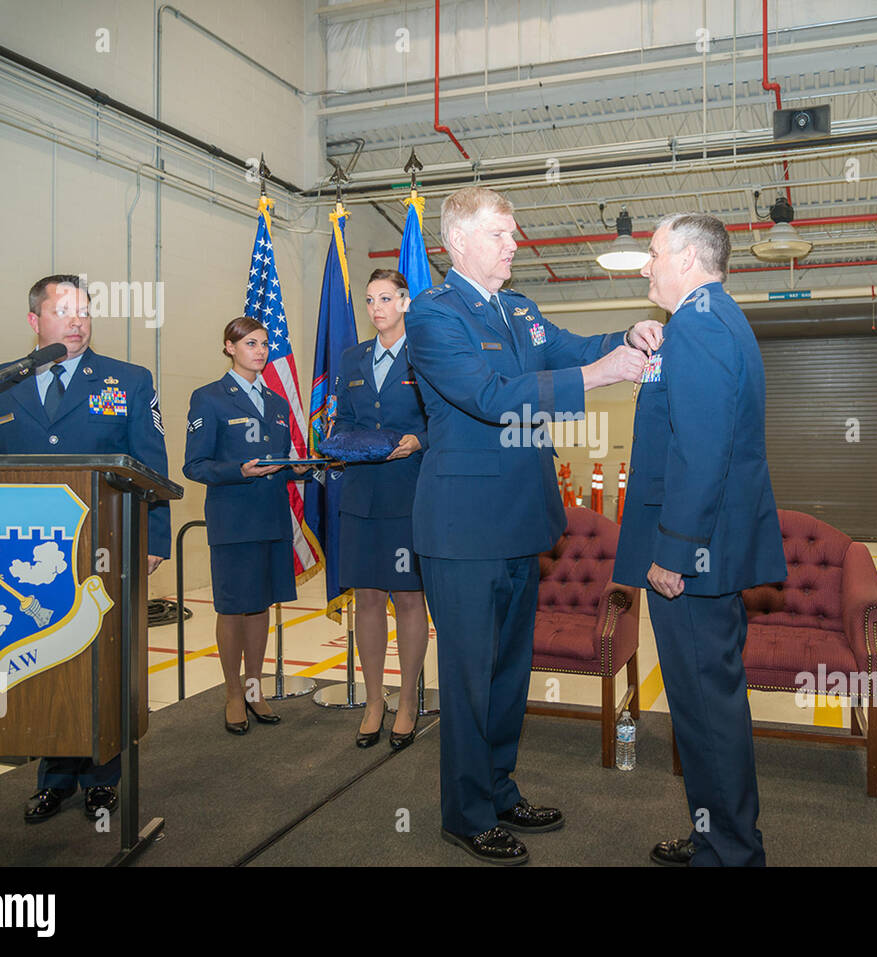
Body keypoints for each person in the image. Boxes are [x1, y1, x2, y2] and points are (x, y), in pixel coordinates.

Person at [404, 185, 661, 865]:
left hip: (521, 521)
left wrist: (624, 338)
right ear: (458, 241)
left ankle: (498, 786)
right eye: (499, 233)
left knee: (509, 670)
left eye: (514, 232)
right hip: (462, 530)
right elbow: (490, 397)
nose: (514, 243)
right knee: (466, 676)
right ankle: (465, 812)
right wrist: (601, 376)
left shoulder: (518, 308)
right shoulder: (432, 314)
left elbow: (568, 346)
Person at [0, 273, 170, 823]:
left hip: (103, 550)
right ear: (35, 321)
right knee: (46, 662)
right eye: (63, 310)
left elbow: (152, 465)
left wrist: (152, 536)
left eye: (84, 310)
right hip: (19, 561)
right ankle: (54, 777)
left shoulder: (128, 380)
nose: (77, 320)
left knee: (102, 662)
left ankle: (104, 777)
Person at [613, 213, 787, 867]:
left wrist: (676, 550)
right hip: (706, 553)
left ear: (687, 258)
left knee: (706, 710)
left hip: (694, 558)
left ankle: (731, 851)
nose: (644, 265)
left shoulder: (700, 326)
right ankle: (717, 833)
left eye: (653, 252)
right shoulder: (711, 319)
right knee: (704, 705)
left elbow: (703, 450)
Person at [184, 317, 311, 735]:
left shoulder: (276, 402)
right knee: (233, 608)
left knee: (261, 606)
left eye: (264, 344)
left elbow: (281, 461)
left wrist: (302, 469)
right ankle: (233, 693)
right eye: (250, 343)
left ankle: (255, 688)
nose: (260, 351)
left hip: (272, 517)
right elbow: (196, 466)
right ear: (229, 347)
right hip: (234, 520)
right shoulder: (209, 398)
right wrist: (240, 470)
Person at [328, 269, 430, 750]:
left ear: (406, 302)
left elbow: (444, 419)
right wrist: (340, 443)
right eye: (370, 301)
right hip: (362, 497)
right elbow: (345, 420)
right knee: (367, 598)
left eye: (386, 299)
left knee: (408, 599)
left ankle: (408, 699)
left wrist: (419, 441)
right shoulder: (352, 357)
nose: (376, 309)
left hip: (410, 495)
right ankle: (374, 700)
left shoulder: (427, 354)